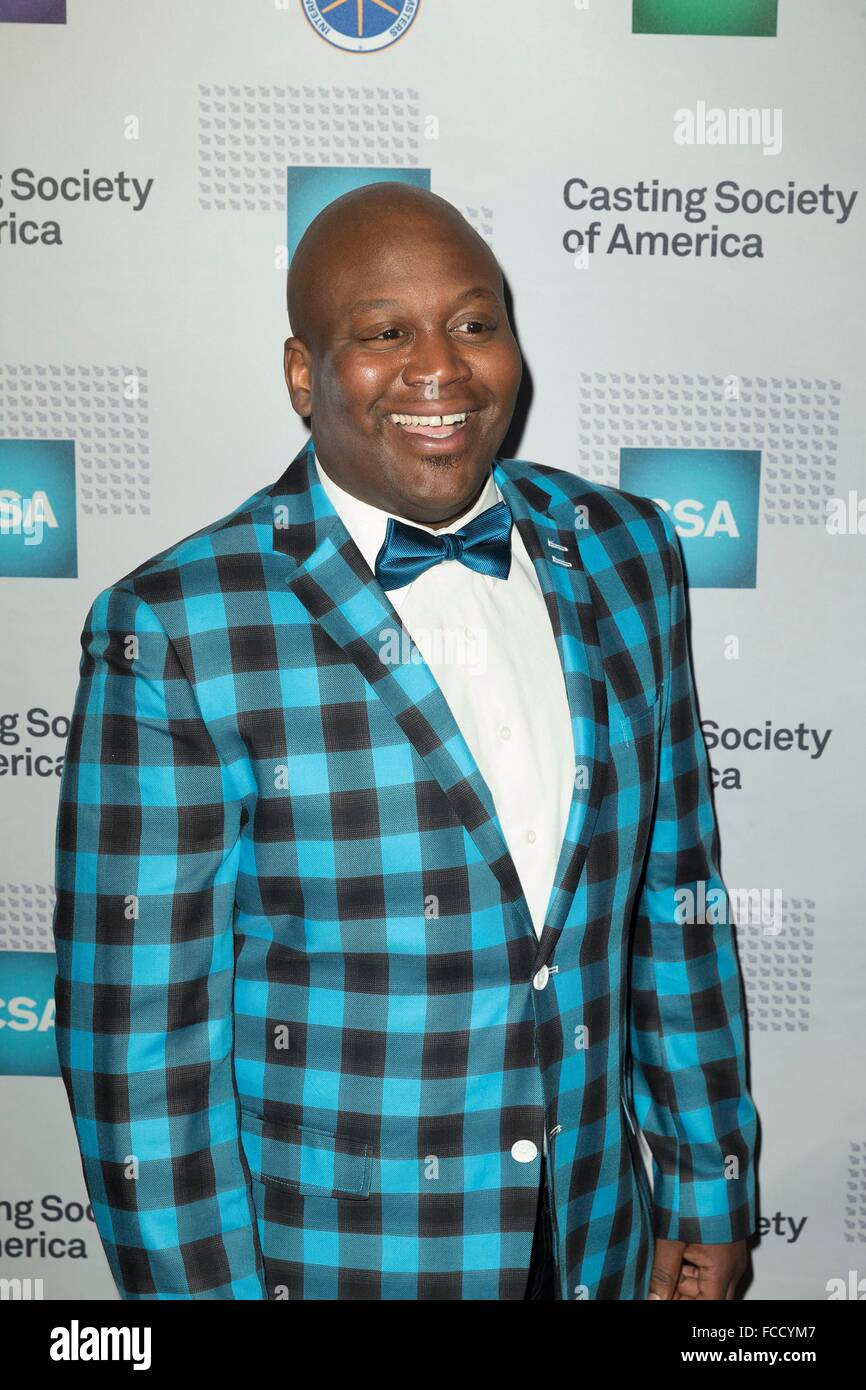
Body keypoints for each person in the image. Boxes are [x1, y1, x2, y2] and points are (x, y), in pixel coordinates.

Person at [52, 181, 758, 1301]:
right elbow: (141, 1049)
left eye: (475, 324)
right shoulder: (179, 624)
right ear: (303, 373)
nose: (442, 368)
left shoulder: (624, 550)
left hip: (594, 1242)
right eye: (384, 334)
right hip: (340, 1265)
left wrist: (705, 1186)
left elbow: (674, 904)